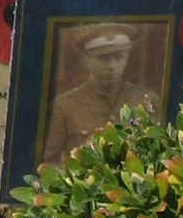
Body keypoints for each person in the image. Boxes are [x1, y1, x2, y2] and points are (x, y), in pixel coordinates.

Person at [41, 26, 156, 165]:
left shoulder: (146, 100)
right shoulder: (64, 106)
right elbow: (48, 163)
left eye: (118, 57)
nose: (112, 66)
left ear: (127, 59)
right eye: (103, 58)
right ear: (87, 61)